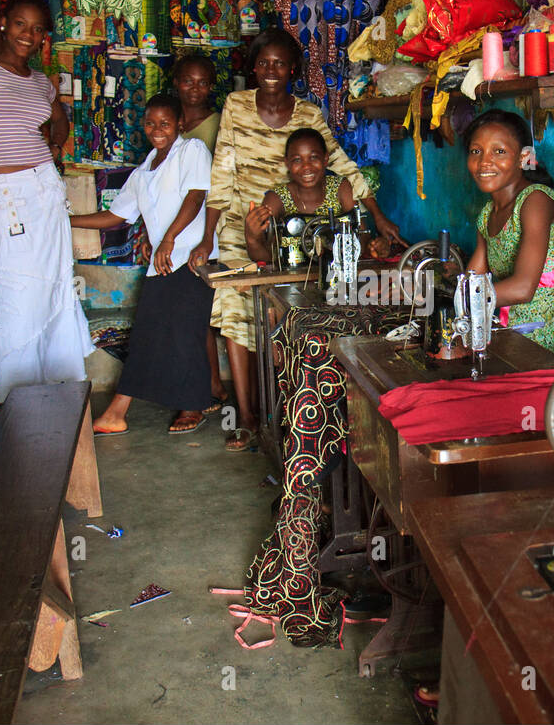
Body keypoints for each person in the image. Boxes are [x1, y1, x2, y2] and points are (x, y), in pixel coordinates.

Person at [188, 28, 406, 452]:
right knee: (236, 310)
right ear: (254, 68)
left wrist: (378, 217)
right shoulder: (235, 106)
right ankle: (248, 417)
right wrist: (207, 237)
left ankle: (292, 412)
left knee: (287, 311)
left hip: (299, 222)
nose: (271, 71)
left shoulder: (308, 114)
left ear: (293, 70)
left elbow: (341, 164)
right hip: (244, 223)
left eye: (280, 63)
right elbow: (222, 173)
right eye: (264, 63)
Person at [0, 0, 93, 402]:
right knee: (16, 292)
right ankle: (16, 400)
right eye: (19, 25)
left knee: (55, 287)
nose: (27, 35)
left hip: (46, 191)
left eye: (36, 29)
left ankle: (61, 396)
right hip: (6, 195)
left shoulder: (40, 83)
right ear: (3, 22)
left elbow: (59, 122)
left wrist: (52, 144)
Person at [70, 94, 217, 435]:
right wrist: (68, 220)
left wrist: (169, 238)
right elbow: (115, 216)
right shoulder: (144, 170)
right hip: (162, 264)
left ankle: (192, 406)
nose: (157, 130)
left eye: (165, 123)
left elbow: (196, 196)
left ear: (179, 123)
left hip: (191, 256)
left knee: (186, 334)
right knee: (148, 336)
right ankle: (118, 412)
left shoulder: (191, 151)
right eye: (150, 123)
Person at [464, 109, 554, 361]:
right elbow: (472, 278)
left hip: (545, 333)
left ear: (523, 157)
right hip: (512, 327)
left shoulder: (535, 201)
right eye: (476, 151)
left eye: (499, 152)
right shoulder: (487, 214)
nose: (485, 161)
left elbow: (522, 288)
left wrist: (457, 297)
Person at [173, 53, 228, 417]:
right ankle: (209, 385)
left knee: (201, 312)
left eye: (203, 82)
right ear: (176, 83)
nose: (195, 89)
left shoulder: (219, 125)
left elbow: (221, 183)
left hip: (207, 225)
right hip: (174, 228)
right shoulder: (164, 122)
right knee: (189, 313)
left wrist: (208, 235)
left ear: (212, 86)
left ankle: (210, 387)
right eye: (188, 81)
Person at [242, 128, 388, 265]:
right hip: (291, 281)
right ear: (287, 163)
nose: (306, 166)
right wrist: (252, 238)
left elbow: (362, 235)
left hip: (337, 278)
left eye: (313, 157)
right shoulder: (276, 199)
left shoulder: (341, 188)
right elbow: (266, 258)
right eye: (297, 160)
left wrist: (373, 246)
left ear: (326, 159)